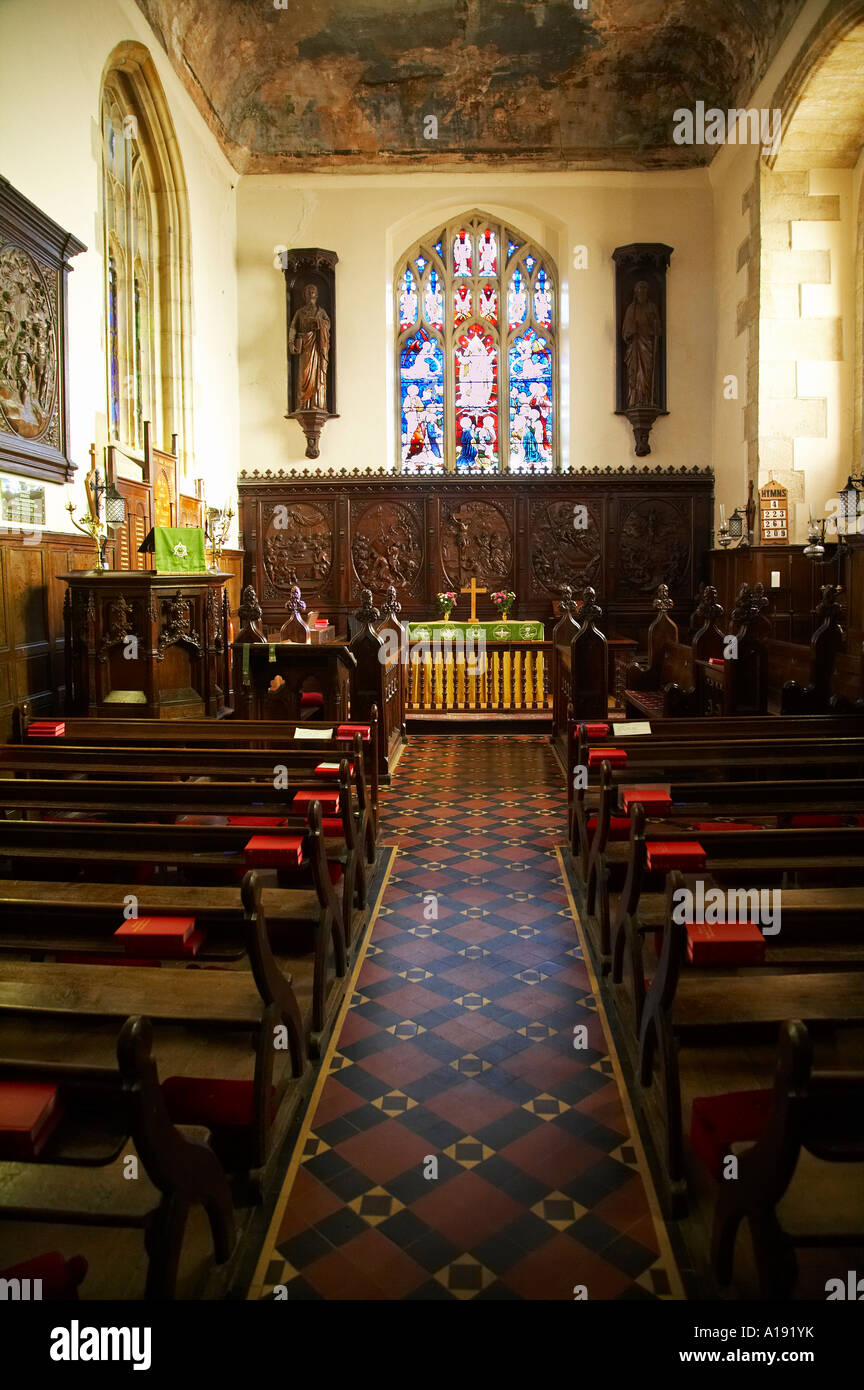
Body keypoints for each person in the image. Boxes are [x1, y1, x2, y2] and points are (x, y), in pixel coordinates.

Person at [288, 282, 330, 411]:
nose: (311, 293)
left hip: (318, 348)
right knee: (304, 375)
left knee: (318, 375)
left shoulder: (321, 312)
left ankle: (317, 403)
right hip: (305, 348)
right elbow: (293, 327)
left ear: (316, 295)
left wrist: (319, 323)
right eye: (308, 291)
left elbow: (328, 325)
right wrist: (291, 342)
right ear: (304, 295)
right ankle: (304, 405)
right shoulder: (300, 312)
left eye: (313, 291)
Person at [622, 279, 661, 407]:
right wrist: (631, 331)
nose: (642, 292)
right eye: (640, 289)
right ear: (635, 292)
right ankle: (635, 399)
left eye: (644, 289)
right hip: (635, 347)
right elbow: (625, 332)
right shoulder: (631, 309)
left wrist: (655, 328)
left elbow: (658, 330)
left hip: (648, 346)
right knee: (635, 372)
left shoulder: (652, 307)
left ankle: (647, 398)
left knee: (647, 372)